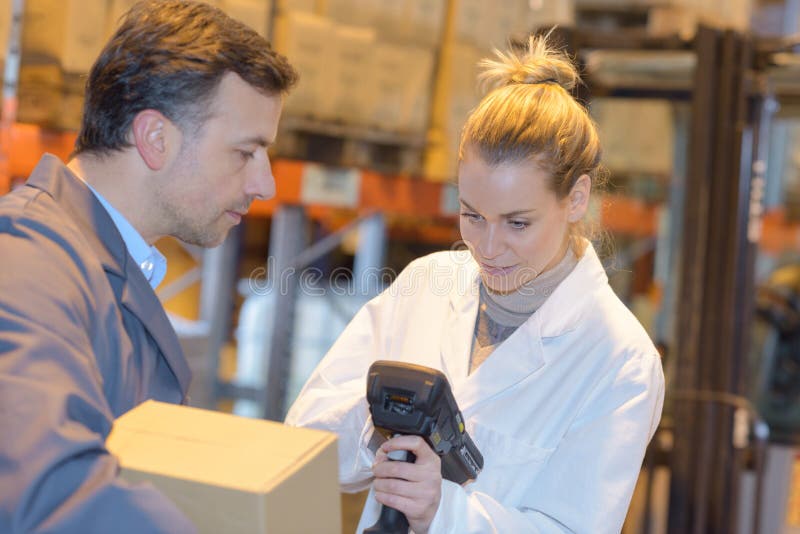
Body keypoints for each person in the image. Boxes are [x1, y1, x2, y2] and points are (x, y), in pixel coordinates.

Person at [286, 34, 664, 534]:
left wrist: (443, 511)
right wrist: (382, 426)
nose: (487, 246)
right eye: (472, 215)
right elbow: (305, 443)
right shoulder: (427, 284)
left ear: (575, 199)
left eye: (517, 223)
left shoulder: (620, 362)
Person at [0, 1, 297, 532]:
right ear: (155, 138)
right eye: (245, 152)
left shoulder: (101, 263)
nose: (265, 184)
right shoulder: (24, 259)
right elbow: (47, 490)